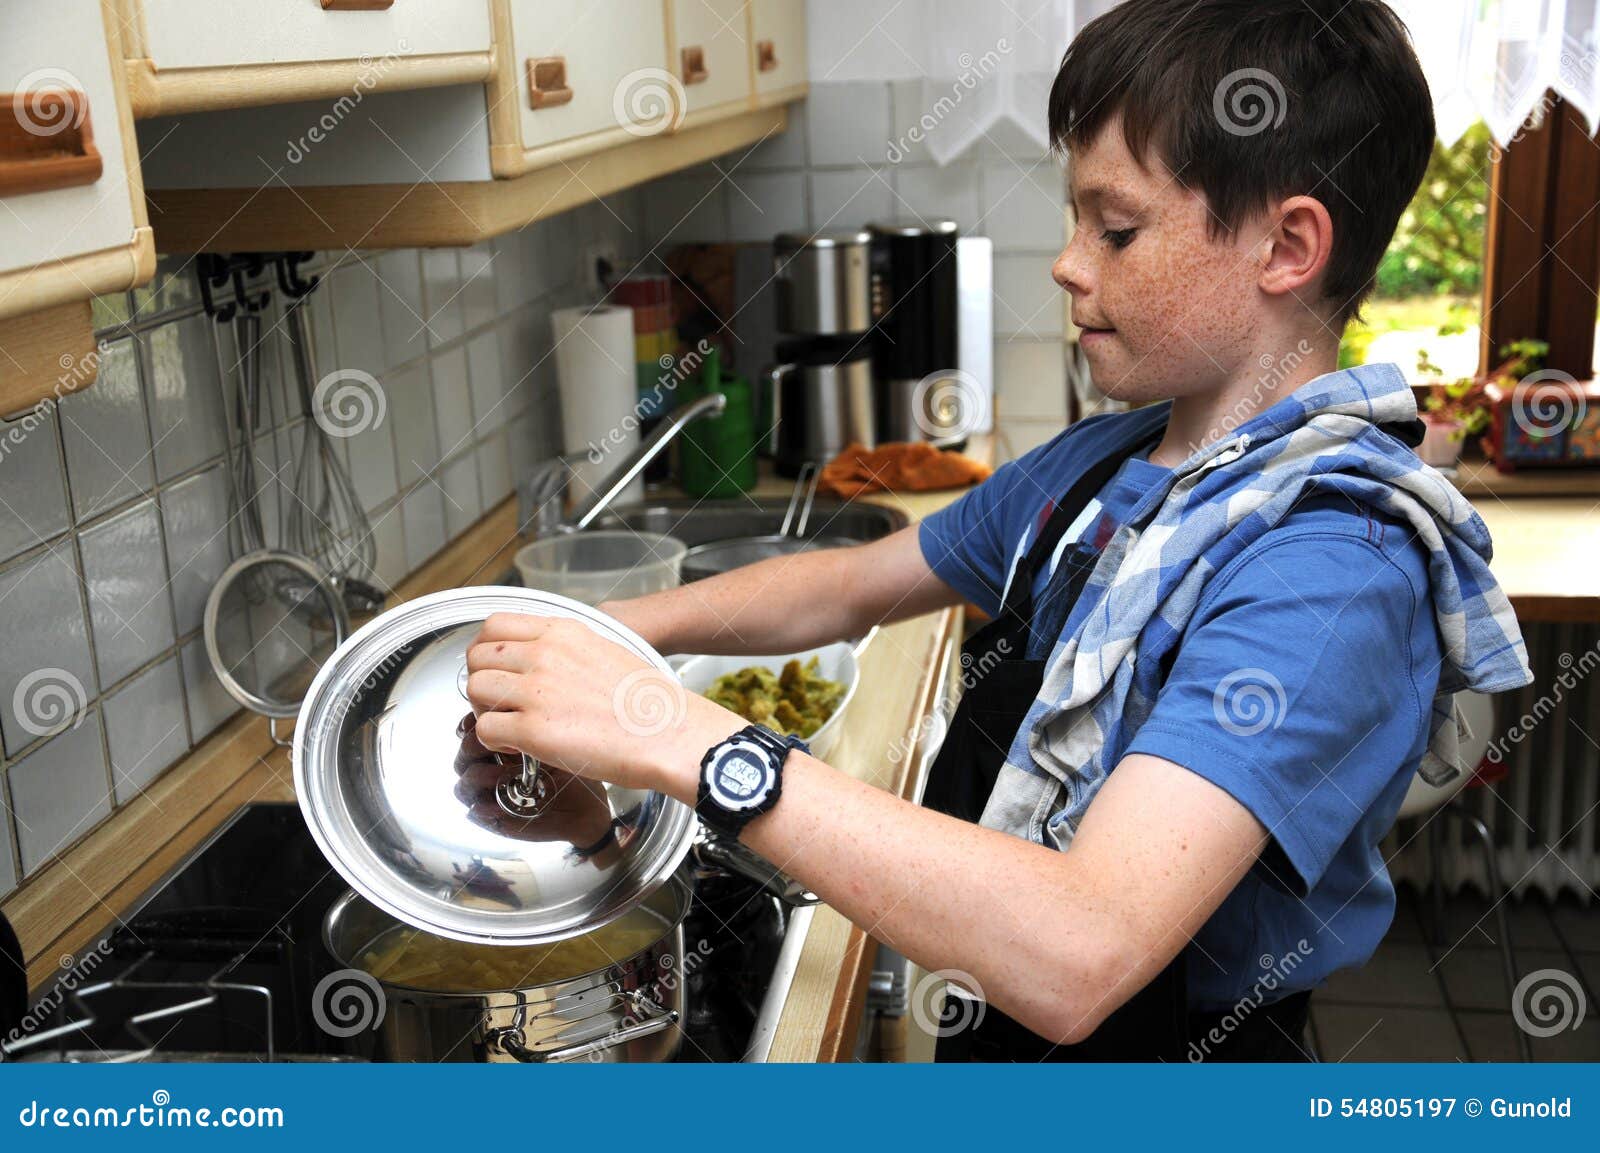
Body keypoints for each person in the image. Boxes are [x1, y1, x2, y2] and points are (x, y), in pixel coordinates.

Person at [465, 0, 1532, 1061]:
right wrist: (594, 632)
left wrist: (676, 736)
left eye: (1114, 229)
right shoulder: (1106, 463)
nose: (1068, 263)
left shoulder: (1329, 565)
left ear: (1287, 245)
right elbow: (838, 589)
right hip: (994, 1009)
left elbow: (1080, 947)